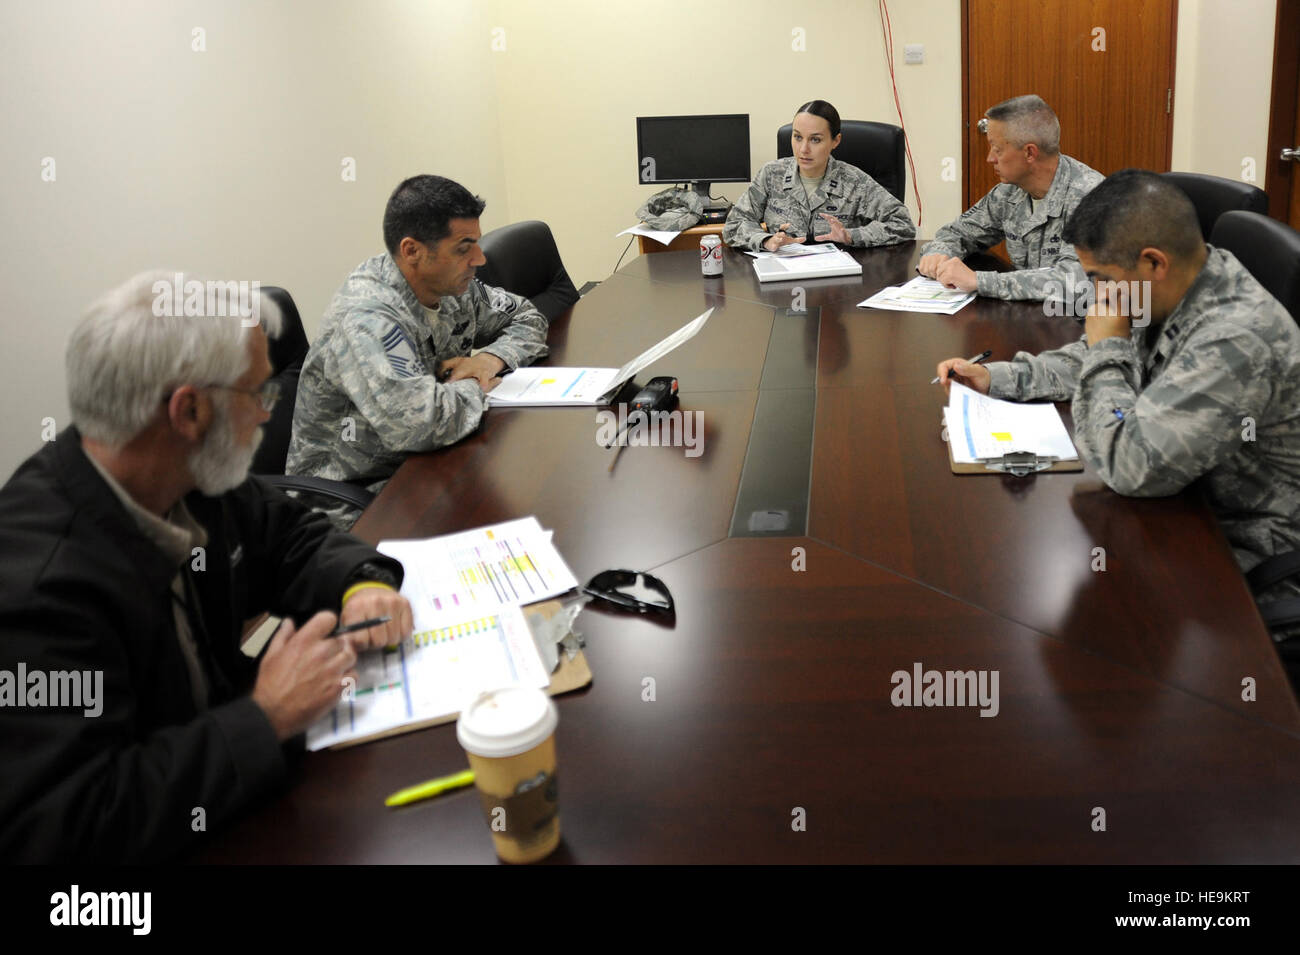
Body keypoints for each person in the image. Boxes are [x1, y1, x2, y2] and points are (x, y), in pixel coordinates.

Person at [0, 272, 414, 863]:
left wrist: (360, 585)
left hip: (236, 794)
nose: (267, 416)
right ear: (188, 410)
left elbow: (288, 533)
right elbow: (70, 825)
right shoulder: (40, 592)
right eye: (257, 394)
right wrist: (264, 718)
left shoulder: (182, 473)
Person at [935, 170, 1300, 612]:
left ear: (1153, 262)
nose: (1095, 293)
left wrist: (1107, 344)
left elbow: (1130, 467)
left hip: (1241, 547)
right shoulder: (1180, 282)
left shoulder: (1235, 338)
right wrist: (1001, 377)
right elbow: (1102, 354)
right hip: (1183, 500)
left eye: (1099, 277)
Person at [287, 175, 549, 524]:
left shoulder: (453, 287)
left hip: (427, 464)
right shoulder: (367, 318)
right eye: (463, 247)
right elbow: (421, 424)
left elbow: (528, 317)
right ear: (412, 251)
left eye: (476, 243)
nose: (479, 259)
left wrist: (490, 358)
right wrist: (475, 383)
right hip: (351, 502)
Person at [918, 94, 1102, 302]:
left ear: (1030, 153)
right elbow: (958, 232)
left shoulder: (1090, 197)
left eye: (997, 149)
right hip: (1029, 318)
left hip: (1083, 325)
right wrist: (938, 253)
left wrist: (980, 281)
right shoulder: (1008, 193)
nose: (990, 158)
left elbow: (1073, 281)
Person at [722, 100, 915, 251]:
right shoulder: (772, 175)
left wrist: (851, 236)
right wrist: (765, 240)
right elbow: (734, 224)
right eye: (797, 137)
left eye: (815, 139)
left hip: (839, 282)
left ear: (835, 141)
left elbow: (903, 224)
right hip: (782, 280)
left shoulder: (854, 181)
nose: (803, 149)